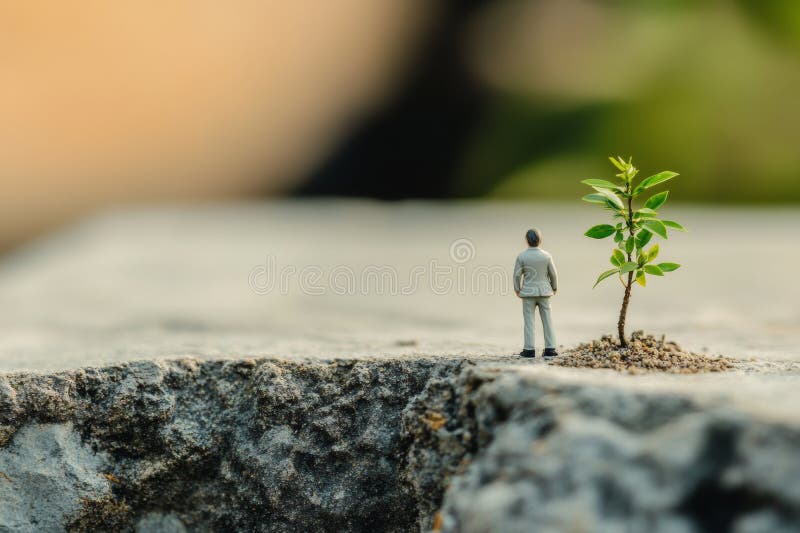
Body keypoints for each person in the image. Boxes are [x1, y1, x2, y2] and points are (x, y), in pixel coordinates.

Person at [514, 228, 558, 359]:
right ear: (540, 240)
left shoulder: (522, 256)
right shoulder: (546, 255)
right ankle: (550, 348)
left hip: (528, 292)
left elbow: (517, 275)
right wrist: (554, 287)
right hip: (544, 291)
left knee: (529, 321)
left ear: (527, 240)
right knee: (547, 320)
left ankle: (529, 349)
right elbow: (553, 274)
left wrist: (517, 289)